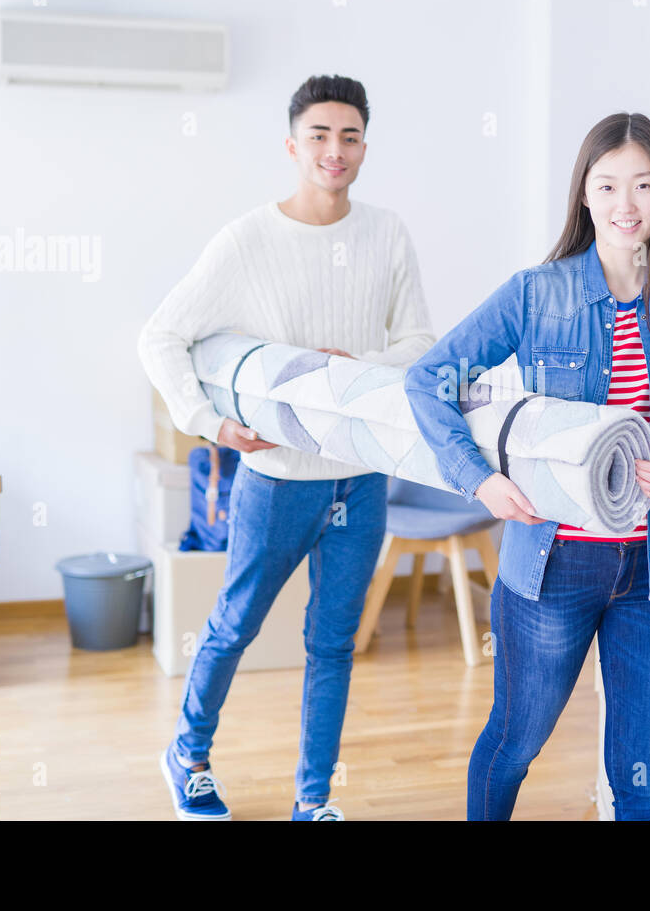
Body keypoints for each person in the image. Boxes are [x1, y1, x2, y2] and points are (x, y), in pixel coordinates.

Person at [403, 112, 650, 820]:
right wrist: (479, 479)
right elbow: (429, 378)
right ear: (583, 194)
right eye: (608, 185)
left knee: (647, 782)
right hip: (553, 566)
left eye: (643, 185)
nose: (626, 204)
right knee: (515, 746)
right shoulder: (535, 293)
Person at [139, 74, 436, 821]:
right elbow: (161, 336)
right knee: (235, 623)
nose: (335, 151)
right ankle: (188, 755)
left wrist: (358, 367)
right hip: (276, 479)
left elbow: (421, 343)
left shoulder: (387, 232)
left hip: (361, 476)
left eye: (350, 136)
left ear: (365, 145)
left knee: (333, 645)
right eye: (319, 135)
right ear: (292, 145)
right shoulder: (247, 241)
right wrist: (209, 423)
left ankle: (313, 801)